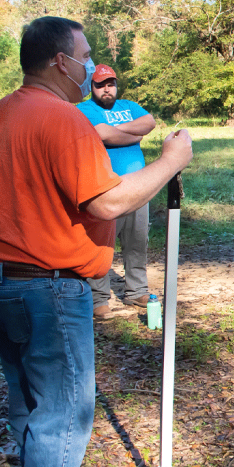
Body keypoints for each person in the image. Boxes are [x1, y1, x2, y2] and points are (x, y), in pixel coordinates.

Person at [0, 16, 193, 467]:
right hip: (44, 288)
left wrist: (4, 224)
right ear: (61, 62)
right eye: (85, 56)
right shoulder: (64, 121)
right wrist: (169, 161)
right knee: (63, 410)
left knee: (26, 397)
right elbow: (107, 202)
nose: (90, 65)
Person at [76, 64, 156, 319]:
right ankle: (99, 299)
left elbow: (149, 123)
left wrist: (115, 133)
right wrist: (133, 135)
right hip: (106, 188)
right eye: (100, 84)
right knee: (102, 243)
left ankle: (136, 291)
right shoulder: (83, 109)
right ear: (92, 87)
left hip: (138, 186)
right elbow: (101, 133)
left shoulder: (129, 106)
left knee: (137, 241)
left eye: (110, 83)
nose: (106, 89)